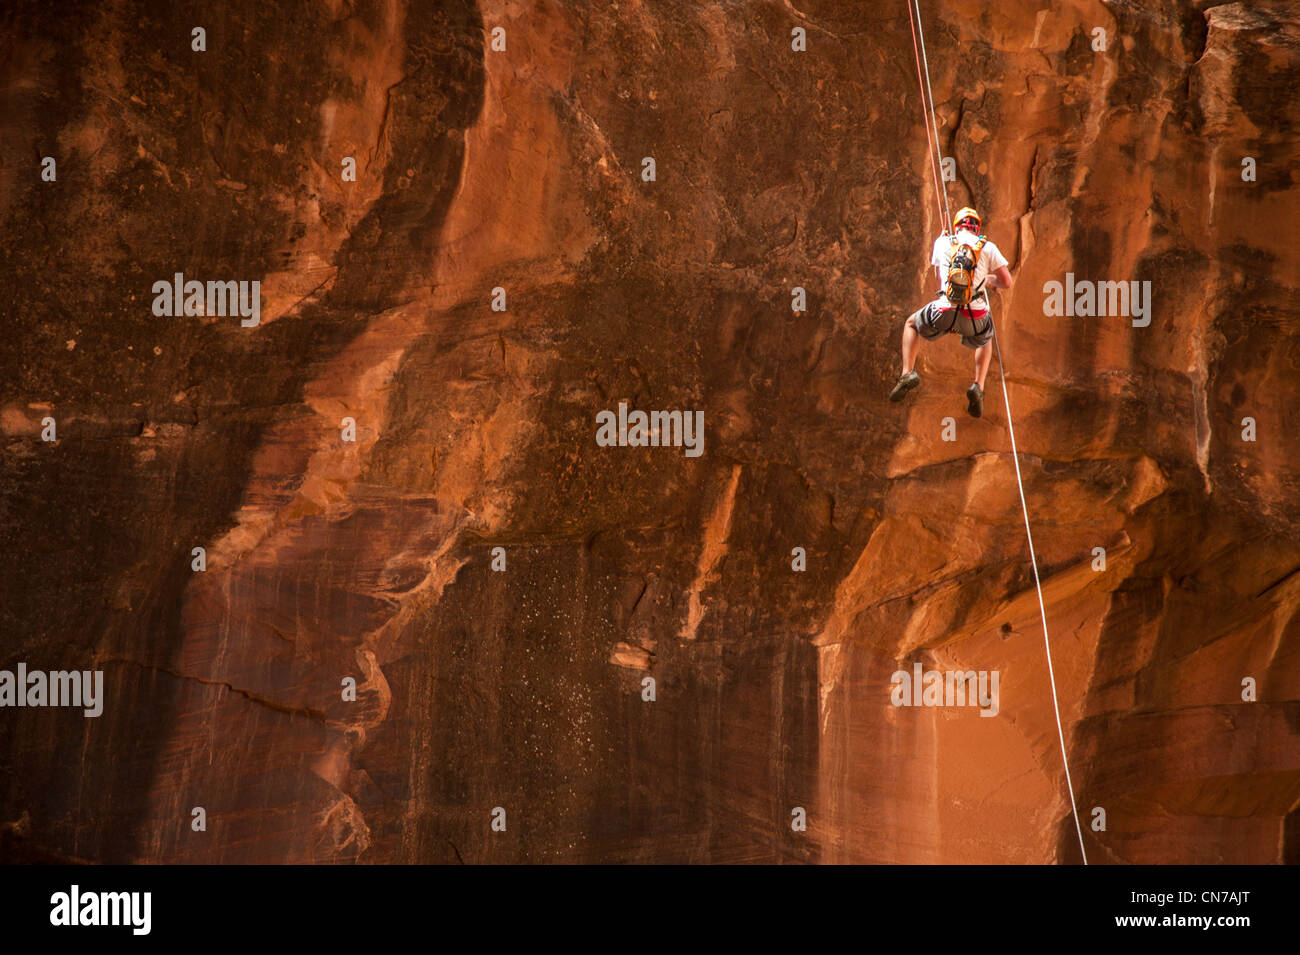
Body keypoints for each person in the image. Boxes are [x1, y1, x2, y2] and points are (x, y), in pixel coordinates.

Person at [888, 206, 1013, 418]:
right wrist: (988, 280)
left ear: (957, 226)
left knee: (911, 324)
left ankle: (907, 373)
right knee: (986, 338)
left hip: (943, 310)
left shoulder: (943, 242)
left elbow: (941, 282)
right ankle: (978, 387)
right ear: (976, 227)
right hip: (975, 317)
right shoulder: (988, 247)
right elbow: (1006, 282)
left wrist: (941, 240)